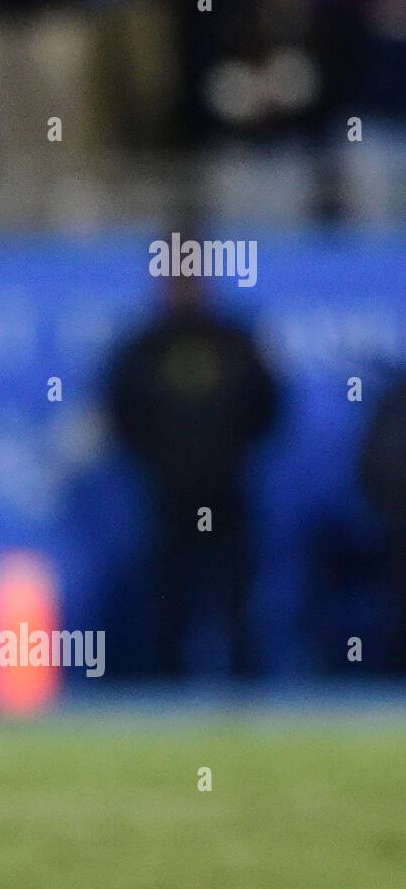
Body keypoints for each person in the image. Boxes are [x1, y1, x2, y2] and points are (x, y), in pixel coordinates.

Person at [106, 275, 279, 679]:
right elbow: (120, 410)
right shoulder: (145, 346)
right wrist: (158, 461)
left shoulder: (235, 341)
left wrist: (232, 453)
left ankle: (245, 688)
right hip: (168, 494)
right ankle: (168, 689)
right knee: (168, 596)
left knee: (236, 595)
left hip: (226, 491)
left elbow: (268, 404)